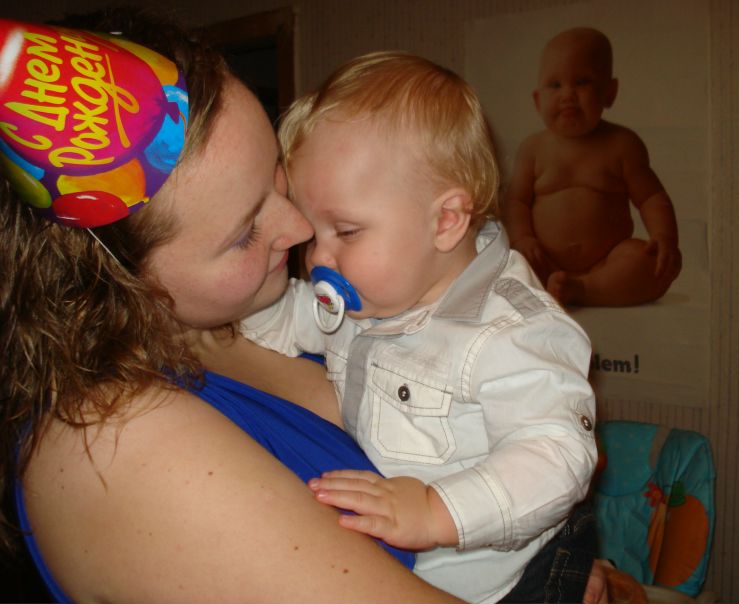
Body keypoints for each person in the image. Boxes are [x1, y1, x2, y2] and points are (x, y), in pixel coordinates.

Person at [0, 10, 608, 604]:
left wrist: (538, 542)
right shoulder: (114, 445)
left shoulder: (412, 310)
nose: (298, 232)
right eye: (244, 232)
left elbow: (540, 453)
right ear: (117, 276)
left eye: (278, 179)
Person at [241, 51, 599, 604]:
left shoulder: (512, 332)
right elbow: (290, 318)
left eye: (347, 231)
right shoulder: (367, 295)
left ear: (446, 220)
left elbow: (557, 458)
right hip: (414, 571)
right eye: (314, 233)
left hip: (513, 576)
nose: (318, 259)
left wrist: (437, 511)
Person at [502, 27, 682, 307]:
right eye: (555, 85)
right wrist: (522, 239)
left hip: (609, 262)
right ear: (537, 100)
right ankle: (553, 286)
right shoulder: (533, 149)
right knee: (503, 263)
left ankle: (586, 289)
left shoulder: (622, 145)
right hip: (543, 261)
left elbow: (651, 198)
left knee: (648, 262)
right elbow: (516, 202)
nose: (568, 95)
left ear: (609, 92)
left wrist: (664, 238)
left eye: (582, 82)